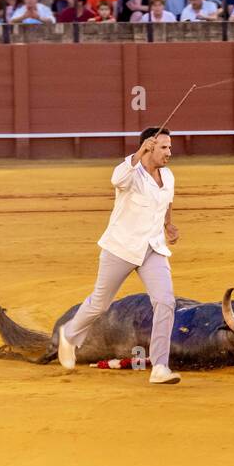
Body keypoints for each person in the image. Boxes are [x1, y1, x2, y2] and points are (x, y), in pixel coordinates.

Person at [58, 128, 183, 385]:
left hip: (152, 249)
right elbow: (116, 179)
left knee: (165, 302)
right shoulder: (131, 174)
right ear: (148, 147)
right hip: (121, 248)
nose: (169, 153)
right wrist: (139, 153)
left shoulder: (168, 176)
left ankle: (160, 366)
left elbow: (166, 202)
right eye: (163, 148)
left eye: (170, 148)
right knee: (100, 304)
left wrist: (168, 225)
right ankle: (68, 336)